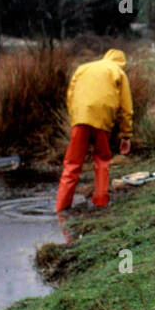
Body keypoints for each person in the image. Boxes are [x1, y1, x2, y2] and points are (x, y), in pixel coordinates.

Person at [54, 49, 133, 213]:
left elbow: (70, 95)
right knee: (102, 161)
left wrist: (75, 119)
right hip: (103, 121)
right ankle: (101, 202)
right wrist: (126, 135)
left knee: (72, 164)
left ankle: (61, 207)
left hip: (80, 119)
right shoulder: (118, 72)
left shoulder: (83, 68)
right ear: (122, 63)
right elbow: (126, 108)